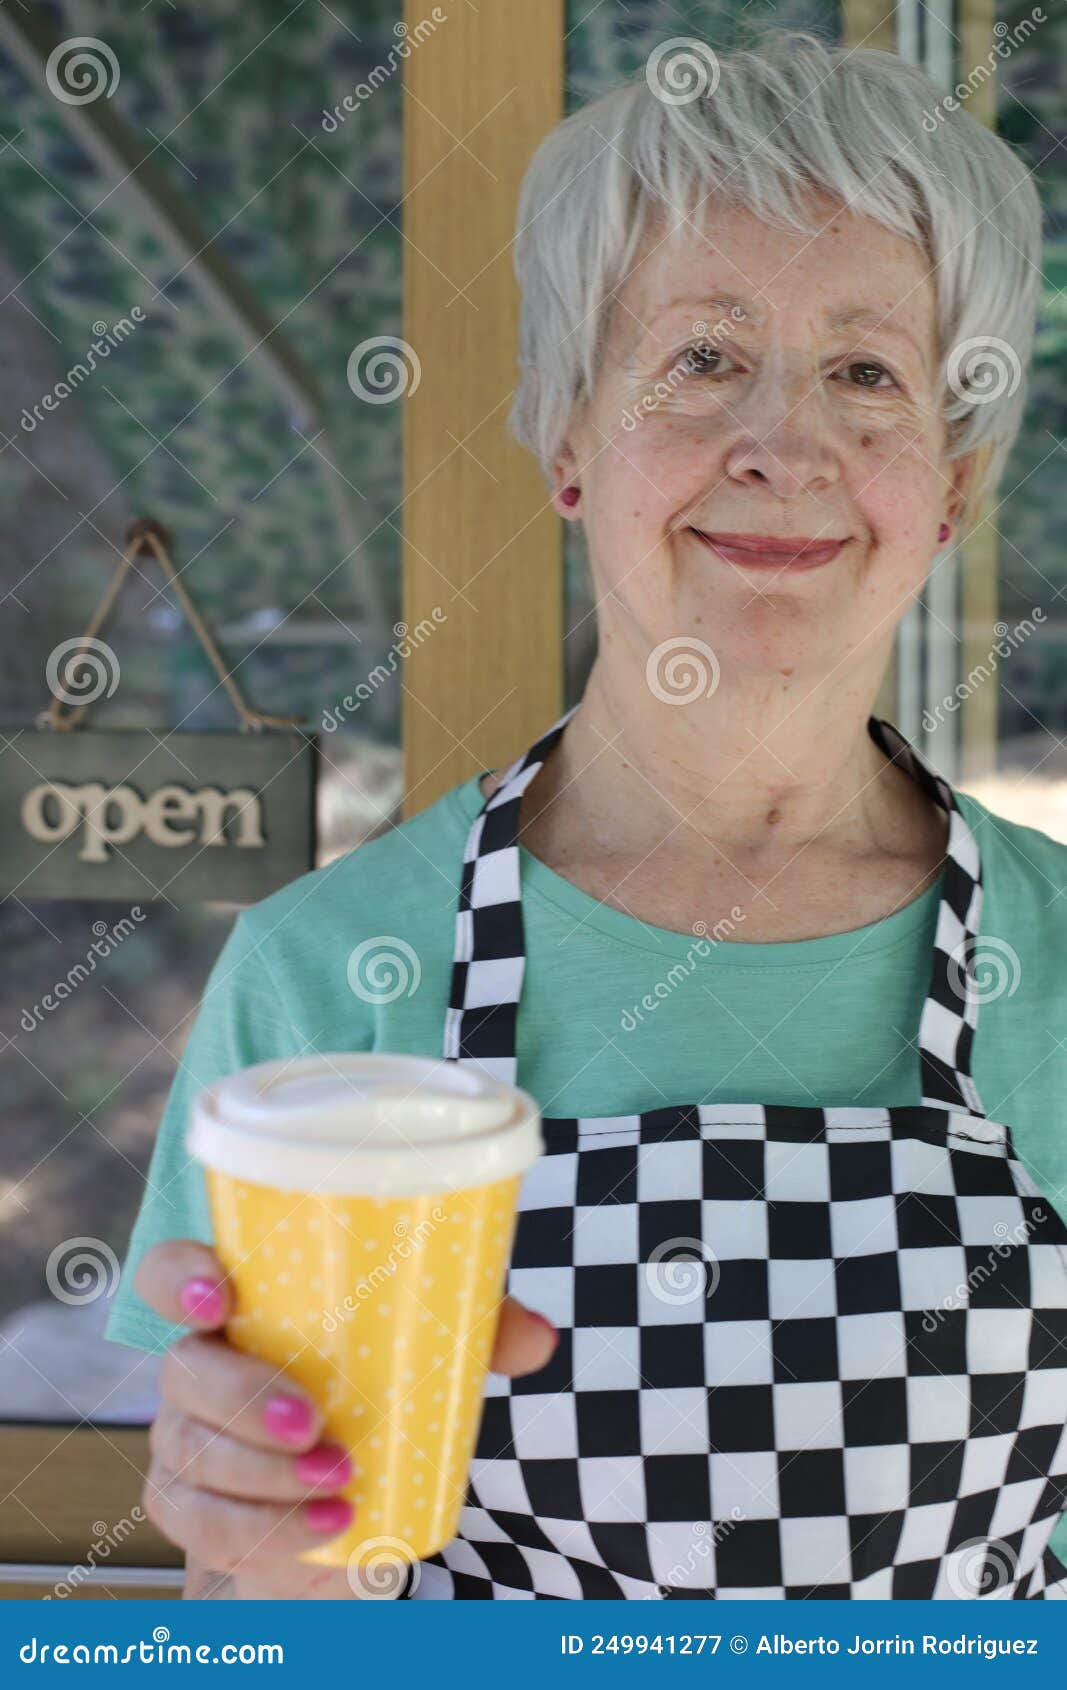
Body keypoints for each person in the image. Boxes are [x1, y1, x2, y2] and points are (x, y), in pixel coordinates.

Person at [106, 27, 1067, 1600]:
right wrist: (255, 1549)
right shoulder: (329, 970)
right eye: (701, 357)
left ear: (950, 483)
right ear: (567, 439)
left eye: (867, 370)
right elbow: (284, 1630)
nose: (786, 443)